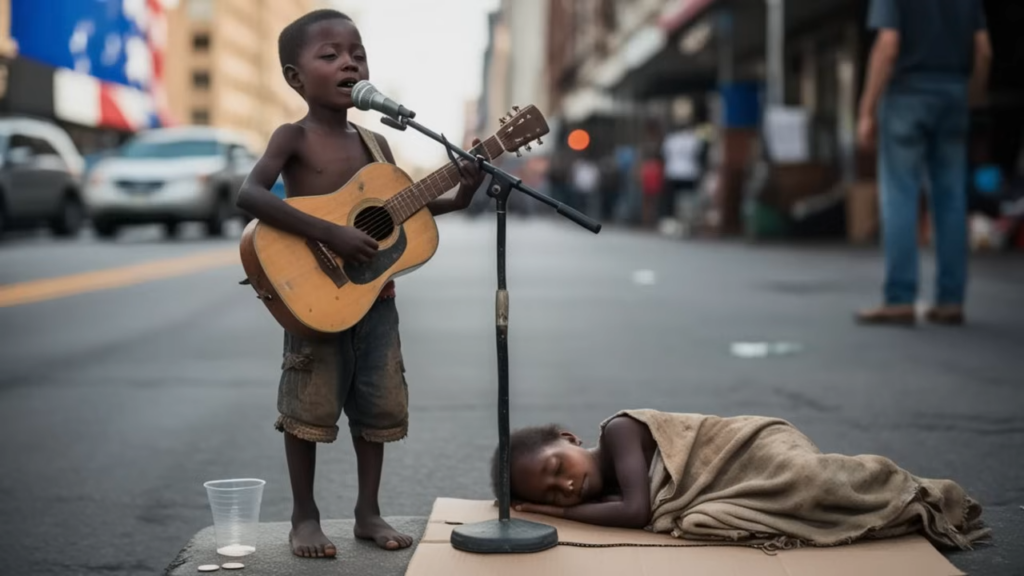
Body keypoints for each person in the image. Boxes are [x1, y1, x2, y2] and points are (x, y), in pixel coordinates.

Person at [236, 9, 484, 558]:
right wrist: (332, 233)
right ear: (295, 77)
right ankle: (304, 516)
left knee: (377, 406)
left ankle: (368, 511)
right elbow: (249, 196)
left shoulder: (376, 145)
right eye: (330, 55)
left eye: (357, 54)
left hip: (376, 299)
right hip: (315, 300)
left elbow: (400, 212)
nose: (349, 62)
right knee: (307, 406)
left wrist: (461, 197)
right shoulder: (293, 136)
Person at [497, 410, 988, 550]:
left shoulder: (619, 431)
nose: (565, 487)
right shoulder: (602, 492)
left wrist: (554, 513)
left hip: (752, 448)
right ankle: (896, 513)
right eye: (551, 492)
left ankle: (916, 493)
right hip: (737, 479)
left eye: (557, 469)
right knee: (789, 510)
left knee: (813, 481)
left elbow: (638, 511)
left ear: (569, 438)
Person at [856, 0, 992, 326]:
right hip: (953, 92)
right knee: (951, 197)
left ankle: (900, 298)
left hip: (906, 92)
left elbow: (888, 44)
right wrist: (971, 95)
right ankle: (951, 299)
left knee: (900, 193)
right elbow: (984, 50)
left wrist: (866, 108)